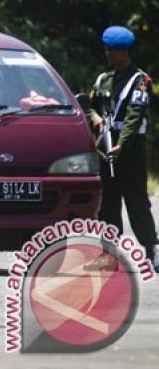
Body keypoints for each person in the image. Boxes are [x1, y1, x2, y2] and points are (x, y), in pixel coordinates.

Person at [88, 25, 159, 273]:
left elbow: (134, 116)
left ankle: (151, 249)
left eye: (113, 50)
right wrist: (95, 117)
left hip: (129, 150)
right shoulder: (103, 79)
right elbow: (89, 104)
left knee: (136, 200)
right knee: (107, 203)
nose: (108, 54)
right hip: (106, 147)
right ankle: (108, 254)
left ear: (124, 52)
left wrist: (122, 144)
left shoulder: (140, 81)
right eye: (107, 49)